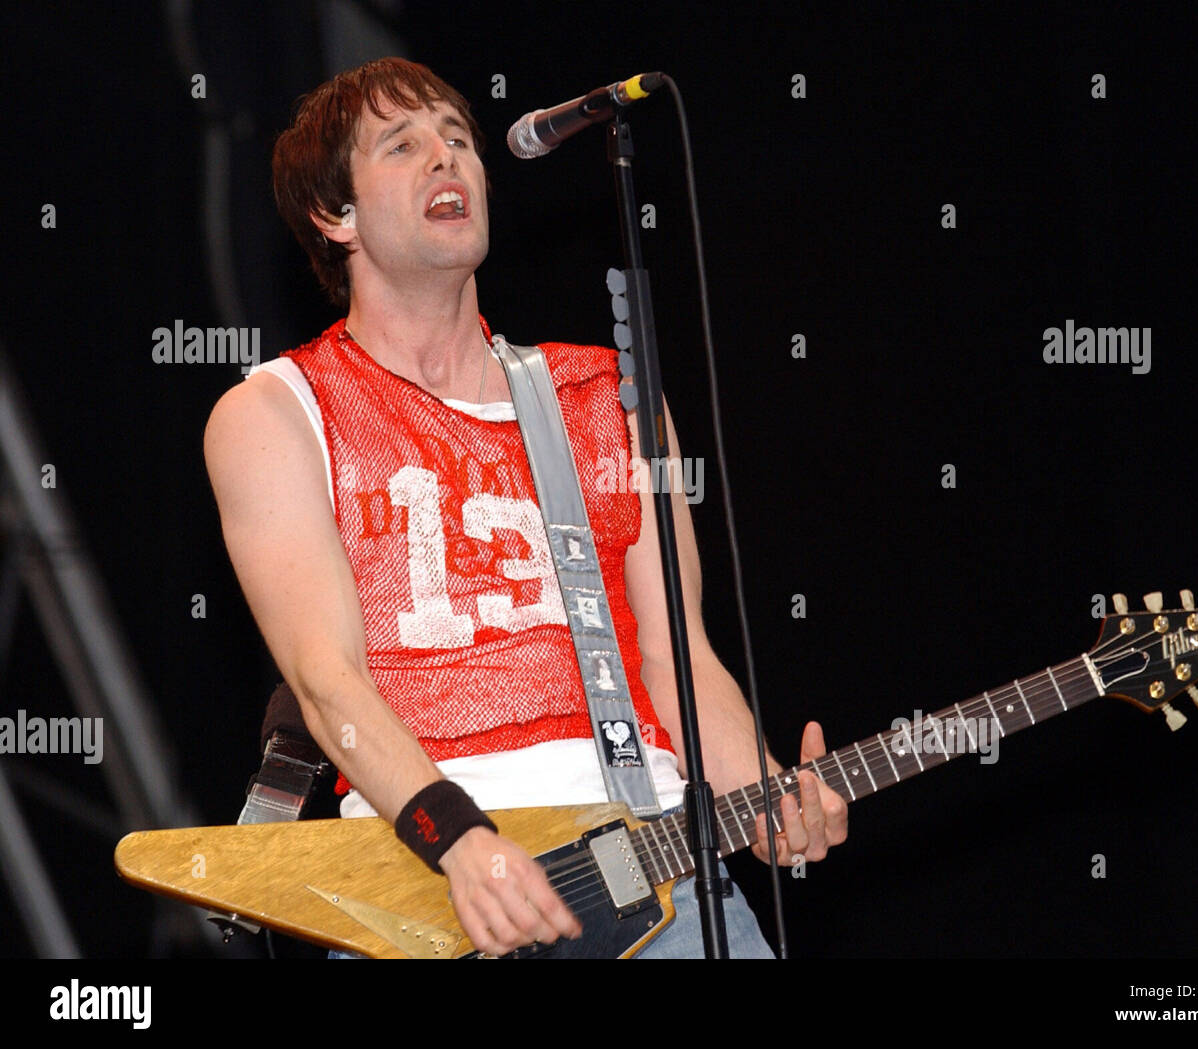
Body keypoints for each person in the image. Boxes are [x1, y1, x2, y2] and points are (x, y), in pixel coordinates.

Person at [203, 57, 847, 959]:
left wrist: (772, 794)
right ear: (333, 214)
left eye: (459, 140)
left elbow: (676, 655)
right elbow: (325, 680)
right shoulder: (272, 412)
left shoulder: (613, 396)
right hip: (427, 883)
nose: (448, 159)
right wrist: (456, 836)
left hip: (657, 858)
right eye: (405, 145)